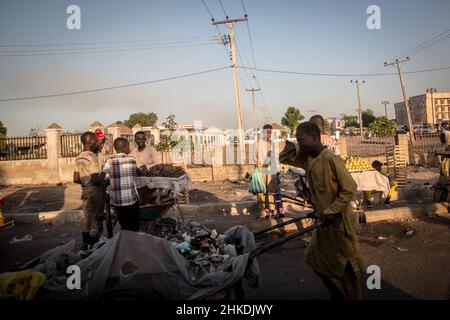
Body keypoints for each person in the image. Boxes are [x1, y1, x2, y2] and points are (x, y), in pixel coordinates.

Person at [279, 121, 363, 300]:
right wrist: (292, 145)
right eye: (298, 140)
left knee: (347, 267)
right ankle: (336, 294)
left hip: (339, 221)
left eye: (302, 140)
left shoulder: (330, 158)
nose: (300, 143)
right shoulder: (306, 158)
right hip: (323, 221)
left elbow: (349, 187)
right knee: (313, 258)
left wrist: (332, 211)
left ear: (314, 137)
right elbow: (284, 159)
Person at [101, 137, 143, 232]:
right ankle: (134, 242)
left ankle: (125, 241)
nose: (130, 149)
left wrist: (105, 192)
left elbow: (101, 178)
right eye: (128, 146)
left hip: (118, 201)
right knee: (134, 226)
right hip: (131, 200)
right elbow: (138, 172)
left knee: (124, 226)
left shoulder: (109, 161)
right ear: (124, 147)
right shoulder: (131, 159)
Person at [74, 132, 105, 250]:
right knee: (97, 218)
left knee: (86, 217)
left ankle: (85, 245)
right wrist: (104, 177)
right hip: (95, 192)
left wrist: (85, 182)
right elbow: (96, 179)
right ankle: (95, 245)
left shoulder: (79, 157)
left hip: (85, 191)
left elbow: (76, 179)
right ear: (90, 141)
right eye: (96, 140)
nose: (98, 143)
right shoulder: (92, 157)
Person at [256, 124, 283, 219]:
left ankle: (272, 210)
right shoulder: (258, 143)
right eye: (266, 132)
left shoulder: (273, 143)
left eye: (269, 132)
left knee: (271, 191)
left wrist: (278, 170)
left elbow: (276, 158)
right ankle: (263, 211)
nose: (268, 134)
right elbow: (254, 157)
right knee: (261, 191)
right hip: (261, 170)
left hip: (272, 170)